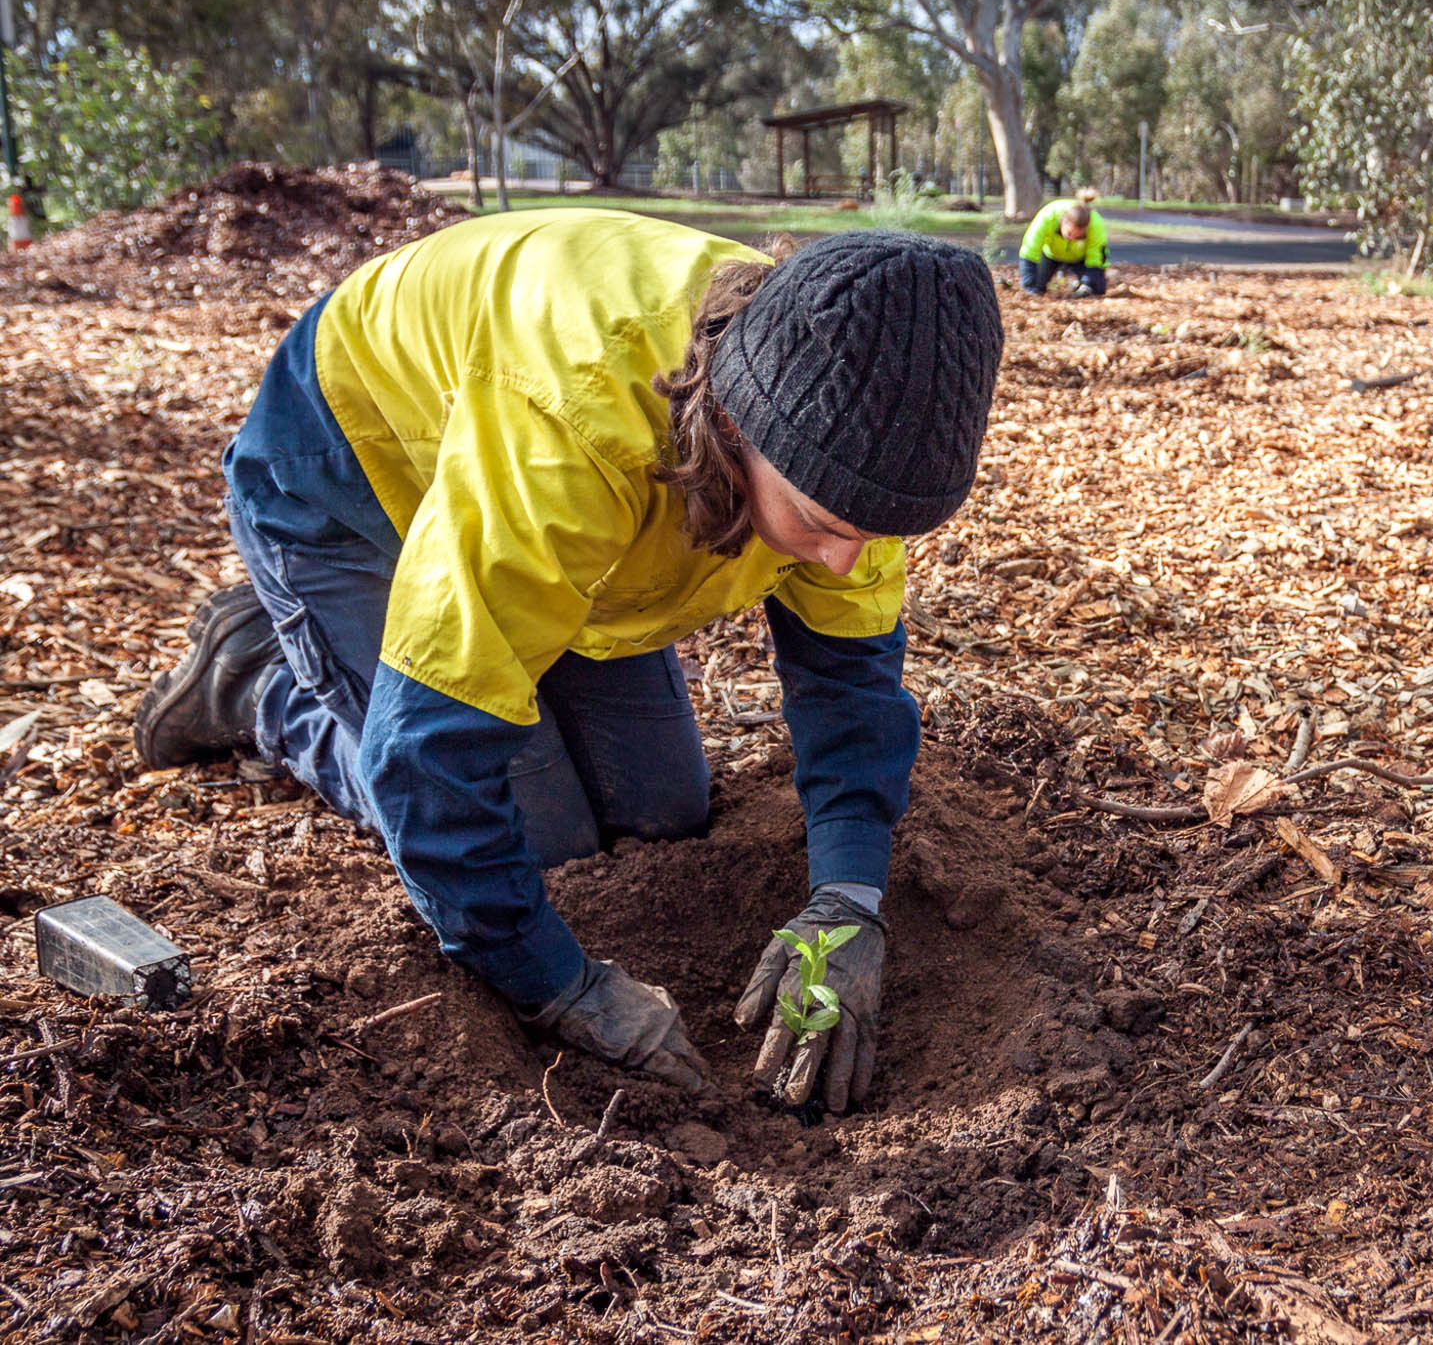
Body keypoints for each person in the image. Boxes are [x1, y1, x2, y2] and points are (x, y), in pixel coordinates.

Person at [131, 210, 1005, 1113]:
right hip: (352, 466)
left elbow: (850, 682)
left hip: (554, 523)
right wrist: (558, 984)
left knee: (659, 814)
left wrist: (849, 897)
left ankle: (510, 633)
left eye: (877, 536)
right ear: (738, 427)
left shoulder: (853, 442)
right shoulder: (578, 428)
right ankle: (256, 680)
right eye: (822, 528)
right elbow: (424, 758)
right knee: (530, 840)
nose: (845, 564)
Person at [1018, 188, 1108, 297]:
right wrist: (1029, 286)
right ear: (1063, 222)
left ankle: (1078, 284)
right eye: (1069, 233)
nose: (1072, 239)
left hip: (1080, 258)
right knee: (1037, 287)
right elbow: (1029, 250)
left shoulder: (1095, 224)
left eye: (1078, 236)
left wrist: (1088, 283)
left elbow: (1096, 256)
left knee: (1097, 289)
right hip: (1051, 255)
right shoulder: (1048, 216)